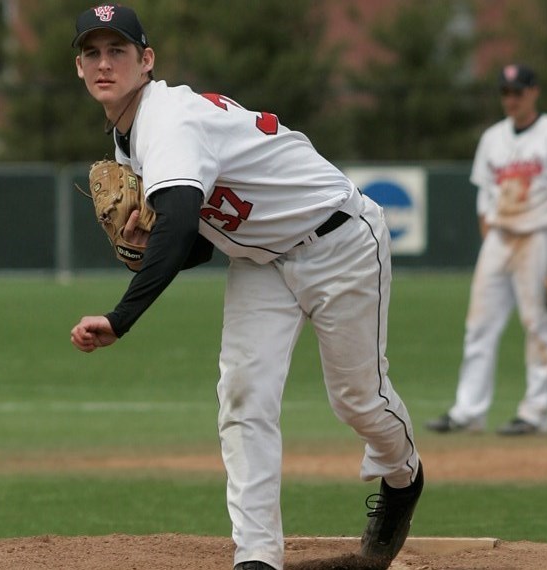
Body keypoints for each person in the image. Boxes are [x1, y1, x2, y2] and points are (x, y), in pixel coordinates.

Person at [68, 5, 422, 570]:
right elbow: (201, 241)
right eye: (92, 53)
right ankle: (256, 556)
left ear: (147, 61)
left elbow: (182, 222)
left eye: (119, 51)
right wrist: (152, 248)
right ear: (80, 68)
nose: (104, 63)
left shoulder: (168, 121)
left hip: (338, 241)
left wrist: (121, 316)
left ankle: (403, 476)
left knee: (358, 399)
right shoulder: (128, 139)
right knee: (243, 397)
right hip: (260, 262)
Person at [426, 64, 547, 436]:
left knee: (537, 323)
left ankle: (535, 412)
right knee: (479, 325)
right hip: (499, 238)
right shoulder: (492, 138)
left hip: (539, 236)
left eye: (518, 91)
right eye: (505, 92)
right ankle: (468, 411)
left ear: (534, 92)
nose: (511, 99)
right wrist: (489, 237)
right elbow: (485, 193)